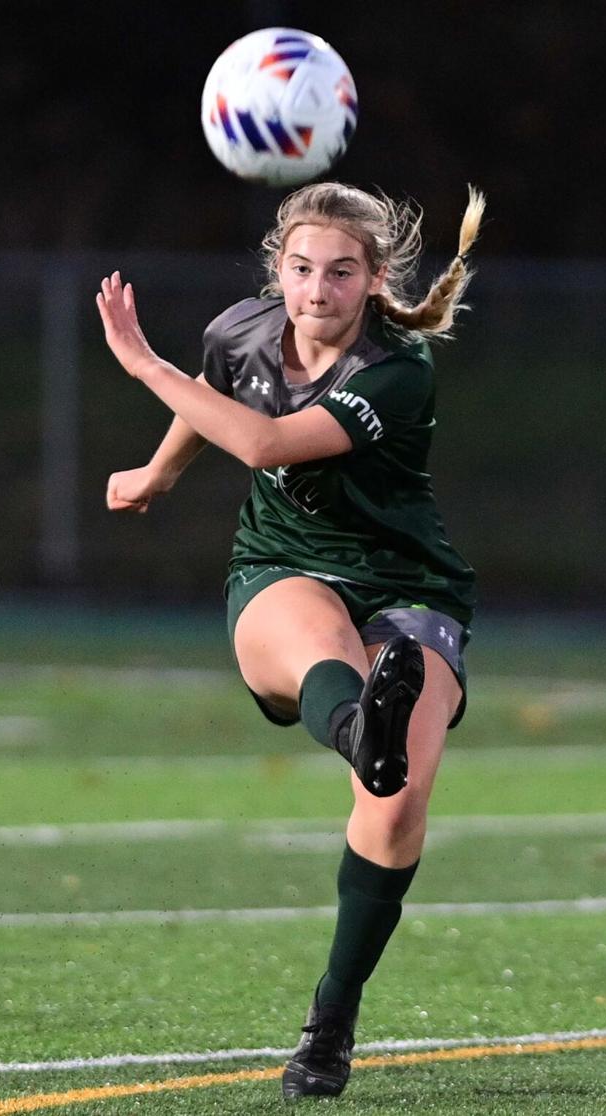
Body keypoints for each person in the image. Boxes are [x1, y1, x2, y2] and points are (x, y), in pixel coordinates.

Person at [96, 180, 485, 1099]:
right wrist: (156, 474)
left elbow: (266, 443)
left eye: (342, 273)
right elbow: (218, 399)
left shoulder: (397, 368)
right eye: (303, 269)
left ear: (376, 279)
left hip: (407, 585)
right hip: (284, 565)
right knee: (324, 655)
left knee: (391, 810)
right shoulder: (242, 328)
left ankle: (331, 1018)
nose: (318, 290)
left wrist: (146, 362)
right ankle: (358, 727)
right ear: (278, 269)